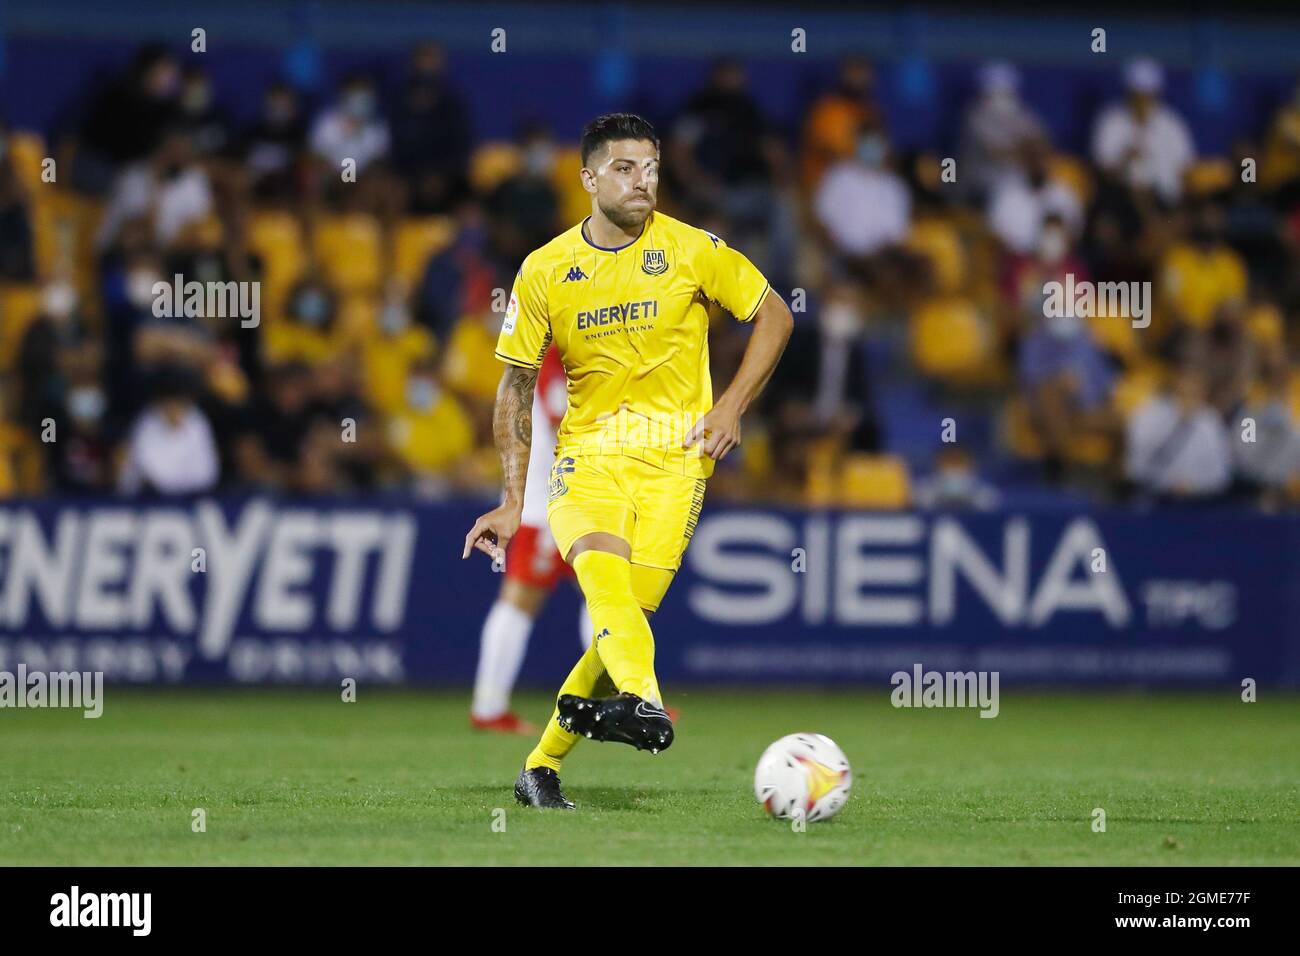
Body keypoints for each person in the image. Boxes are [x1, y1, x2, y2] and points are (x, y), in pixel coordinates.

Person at [462, 113, 793, 808]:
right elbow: (516, 387)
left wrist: (731, 406)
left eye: (650, 167)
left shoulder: (693, 248)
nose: (642, 181)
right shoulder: (546, 269)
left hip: (679, 467)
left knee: (622, 627)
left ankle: (540, 767)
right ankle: (647, 701)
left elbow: (775, 314)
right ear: (587, 177)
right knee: (607, 589)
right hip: (589, 460)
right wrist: (511, 499)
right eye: (624, 168)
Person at [470, 347, 593, 734]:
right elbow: (562, 415)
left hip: (556, 501)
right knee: (531, 597)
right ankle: (488, 708)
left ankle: (627, 700)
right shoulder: (557, 357)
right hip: (548, 504)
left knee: (603, 593)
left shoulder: (541, 356)